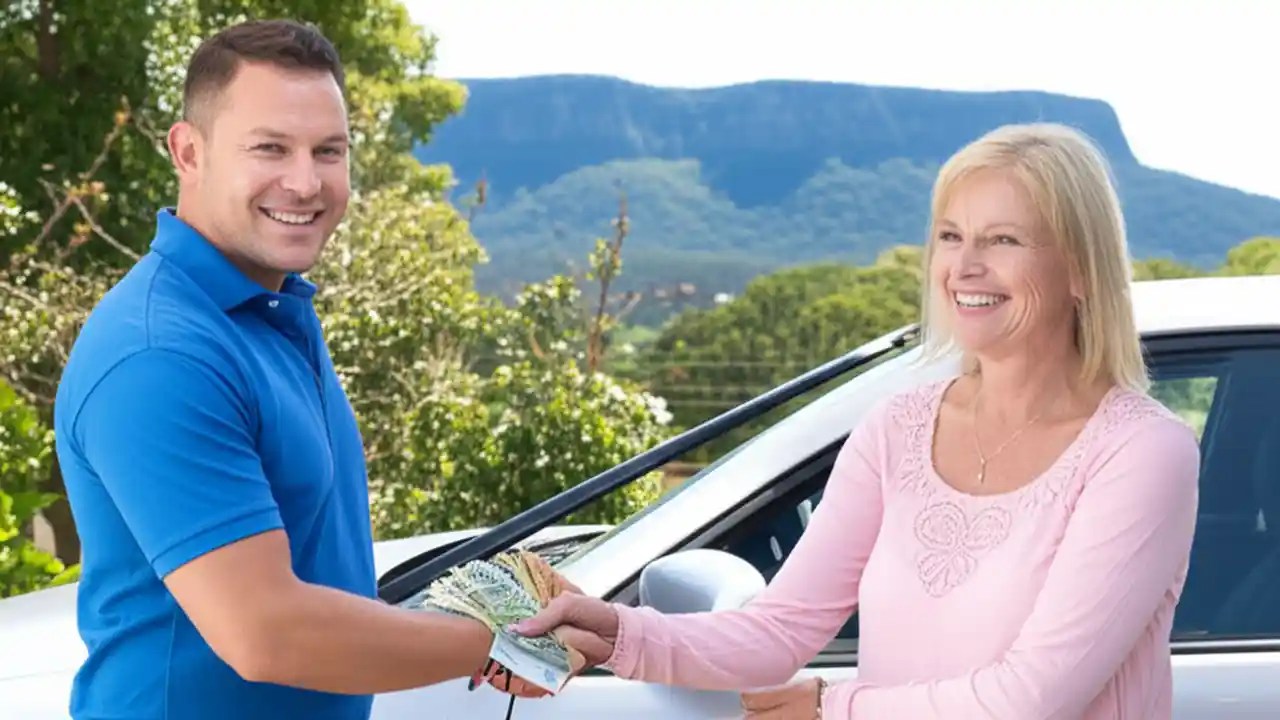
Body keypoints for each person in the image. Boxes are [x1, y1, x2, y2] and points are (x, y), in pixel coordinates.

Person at [501, 123, 1203, 718]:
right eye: (951, 236)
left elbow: (1032, 697)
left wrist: (834, 707)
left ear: (1081, 270)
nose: (965, 266)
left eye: (1004, 241)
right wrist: (617, 633)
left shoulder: (1143, 453)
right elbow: (781, 629)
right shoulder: (897, 428)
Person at [53, 19, 534, 720]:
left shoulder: (267, 311)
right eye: (270, 148)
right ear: (189, 152)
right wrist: (502, 640)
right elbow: (266, 632)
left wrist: (507, 599)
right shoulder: (161, 353)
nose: (305, 182)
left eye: (328, 151)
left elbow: (317, 570)